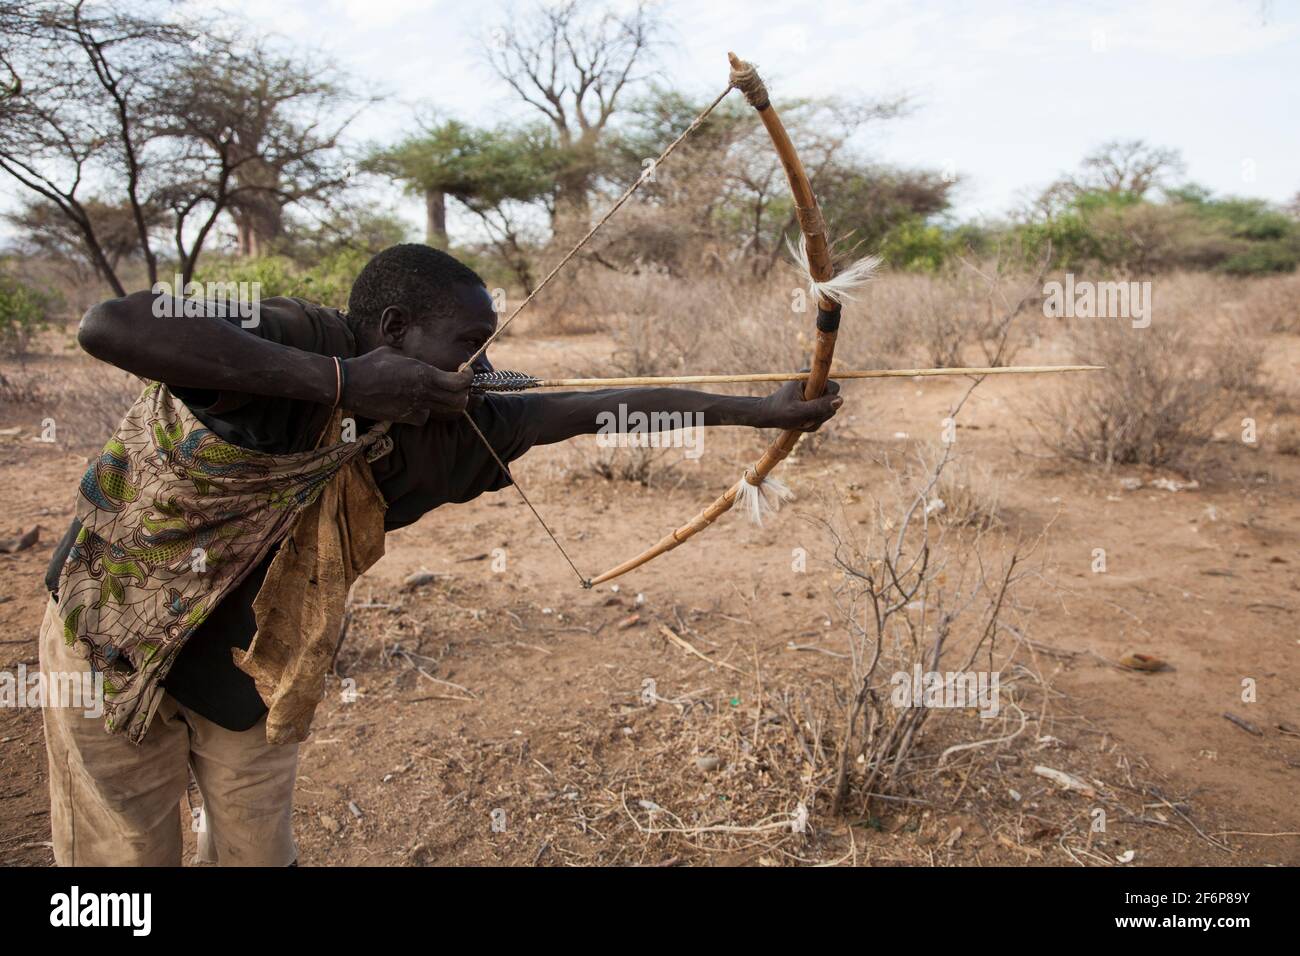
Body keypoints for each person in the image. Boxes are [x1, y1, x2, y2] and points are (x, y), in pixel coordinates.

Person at [38, 243, 842, 866]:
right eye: (468, 343)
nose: (483, 367)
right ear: (392, 331)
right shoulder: (298, 337)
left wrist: (757, 412)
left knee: (256, 852)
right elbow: (112, 325)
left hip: (255, 666)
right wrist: (342, 381)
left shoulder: (458, 432)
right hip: (107, 627)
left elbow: (595, 412)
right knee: (119, 862)